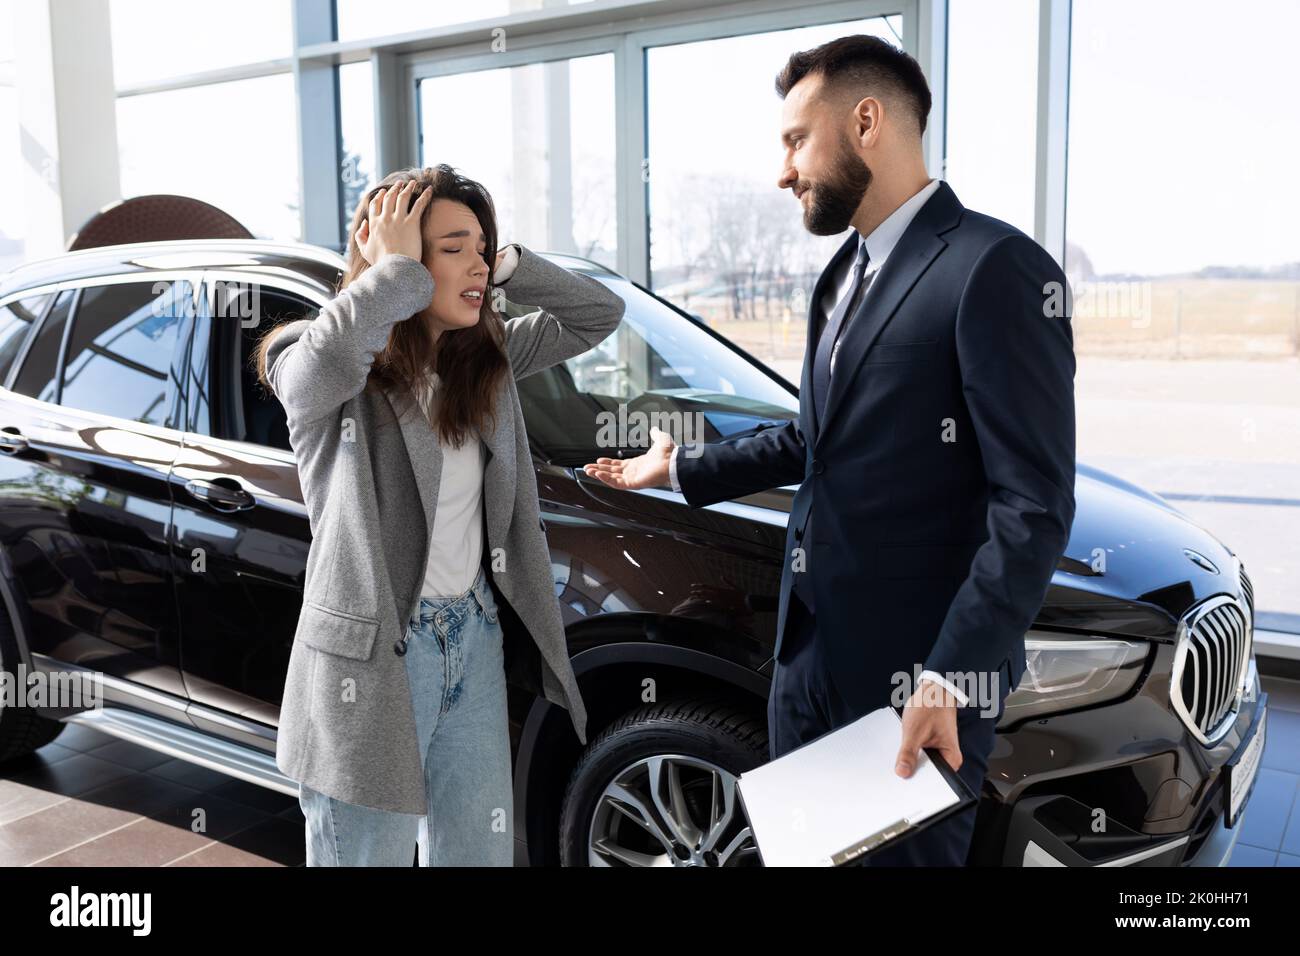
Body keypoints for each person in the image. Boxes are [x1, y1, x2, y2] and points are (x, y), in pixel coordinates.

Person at [583, 35, 1076, 865]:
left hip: (917, 688)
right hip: (805, 664)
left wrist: (950, 678)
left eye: (794, 140)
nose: (784, 172)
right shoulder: (840, 274)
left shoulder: (997, 269)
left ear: (868, 121)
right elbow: (822, 440)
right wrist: (682, 466)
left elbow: (1032, 508)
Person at [254, 164, 625, 865]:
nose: (477, 265)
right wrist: (390, 274)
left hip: (473, 638)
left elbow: (597, 315)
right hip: (374, 665)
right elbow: (315, 367)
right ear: (392, 255)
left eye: (481, 247)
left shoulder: (484, 362)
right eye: (453, 247)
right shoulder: (313, 360)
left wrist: (508, 261)